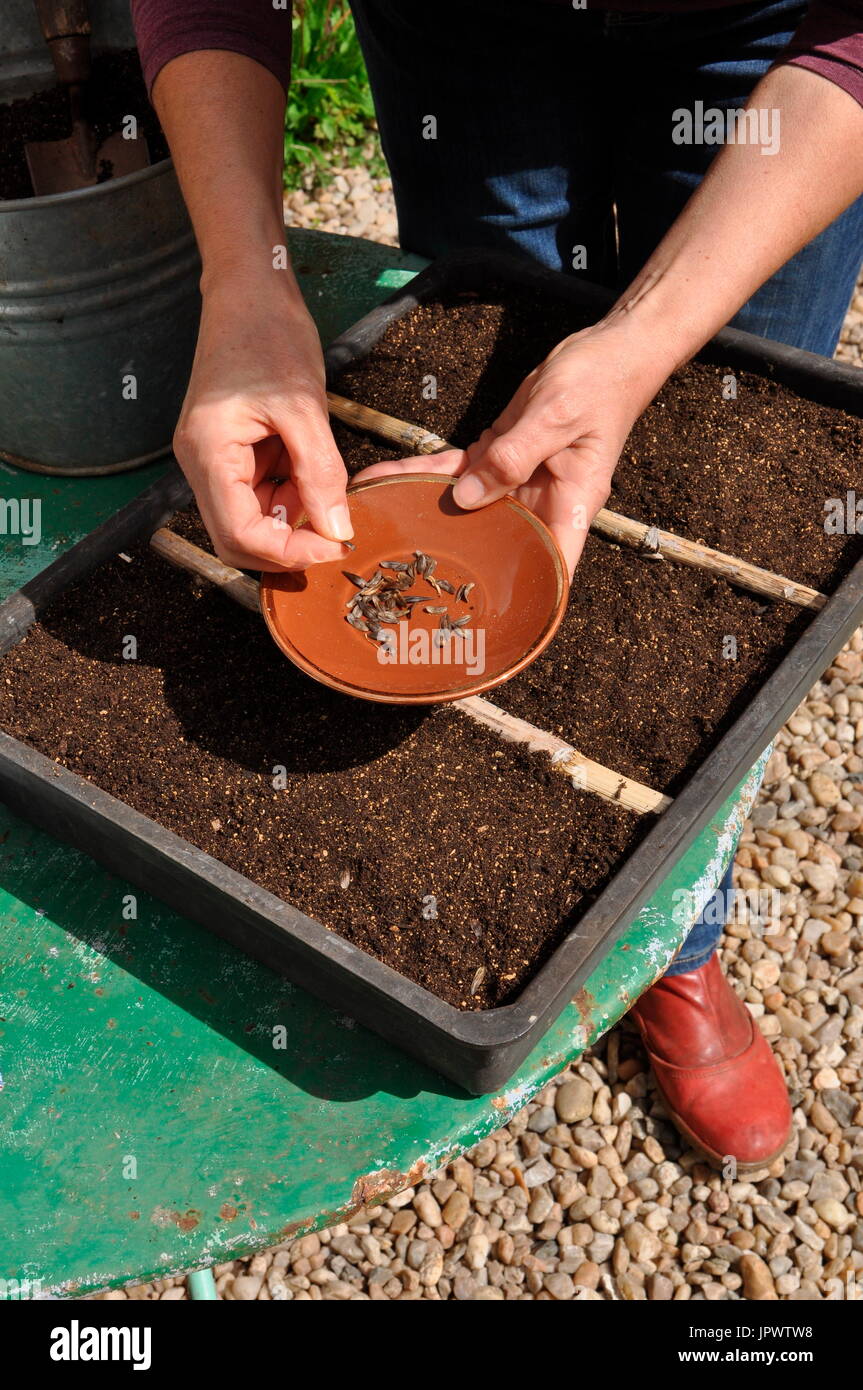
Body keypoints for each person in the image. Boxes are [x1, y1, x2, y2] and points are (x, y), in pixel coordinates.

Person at [131, 0, 863, 1169]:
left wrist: (642, 339)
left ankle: (678, 938)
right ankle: (526, 886)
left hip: (782, 37)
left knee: (711, 445)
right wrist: (248, 285)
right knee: (486, 433)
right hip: (467, 36)